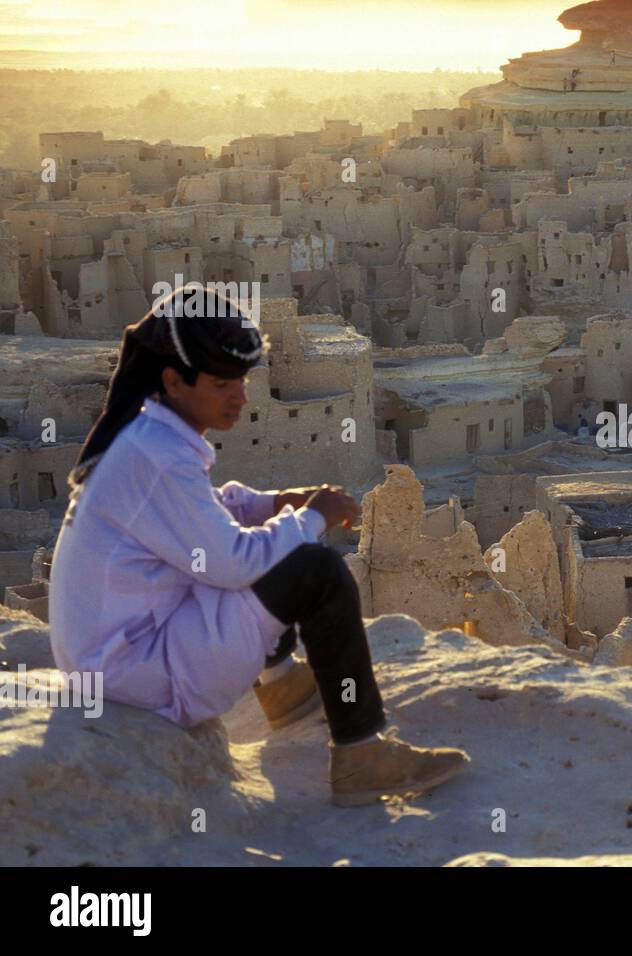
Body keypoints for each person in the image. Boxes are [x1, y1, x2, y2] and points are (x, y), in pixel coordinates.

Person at [48, 287, 469, 807]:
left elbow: (200, 516)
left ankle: (284, 690)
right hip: (139, 671)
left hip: (120, 651)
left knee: (275, 546)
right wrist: (311, 517)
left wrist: (273, 505)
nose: (241, 398)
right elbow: (229, 561)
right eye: (222, 383)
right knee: (314, 568)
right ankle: (361, 753)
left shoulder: (148, 439)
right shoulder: (155, 455)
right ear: (173, 380)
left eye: (242, 381)